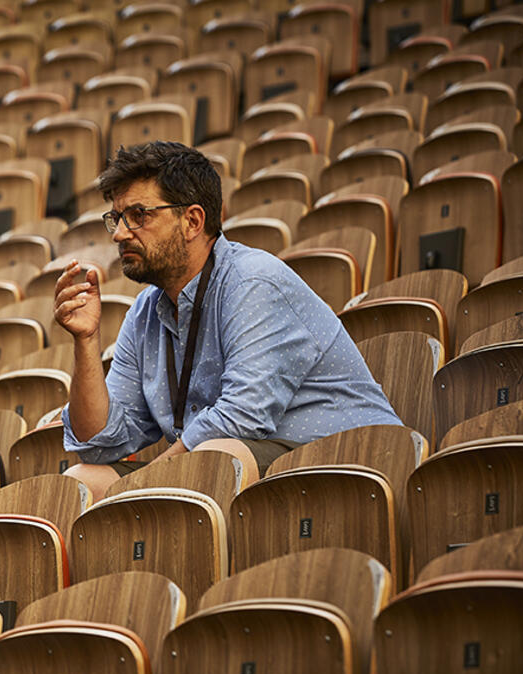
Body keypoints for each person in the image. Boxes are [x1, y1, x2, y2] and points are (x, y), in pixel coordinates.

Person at [54, 141, 402, 496]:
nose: (119, 233)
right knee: (84, 481)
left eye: (139, 215)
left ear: (192, 221)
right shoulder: (145, 312)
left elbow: (242, 416)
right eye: (117, 218)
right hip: (236, 467)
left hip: (356, 458)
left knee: (219, 456)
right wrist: (85, 341)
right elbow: (98, 444)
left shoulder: (254, 282)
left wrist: (145, 484)